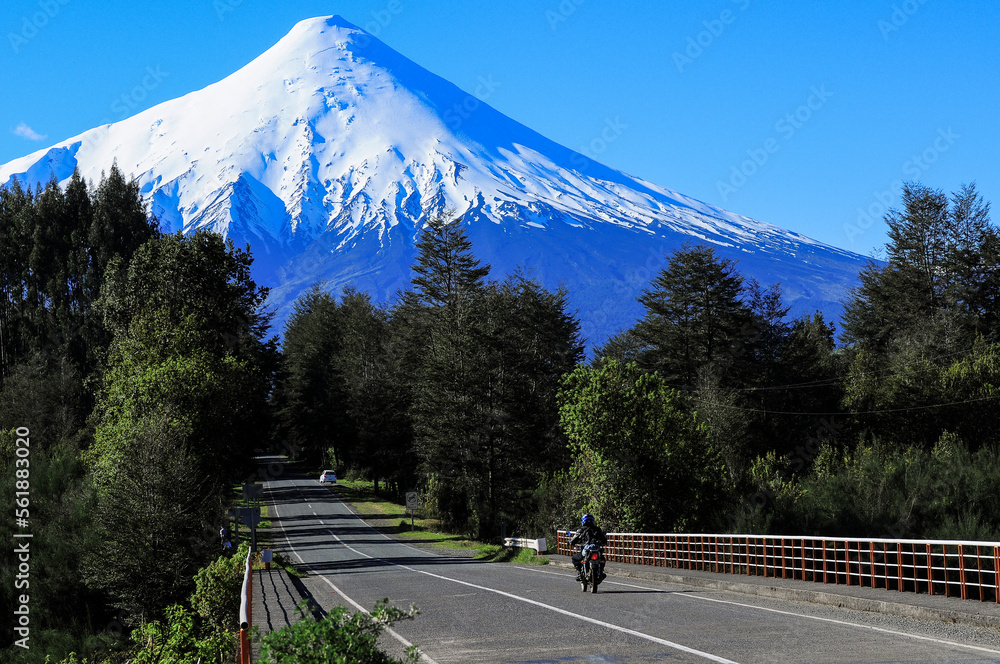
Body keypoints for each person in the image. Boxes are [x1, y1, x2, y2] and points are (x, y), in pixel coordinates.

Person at [570, 514, 607, 582]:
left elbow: (573, 541)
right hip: (597, 550)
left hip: (586, 551)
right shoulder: (597, 530)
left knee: (574, 559)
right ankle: (601, 572)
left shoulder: (581, 530)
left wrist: (570, 542)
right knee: (602, 560)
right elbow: (604, 541)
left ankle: (579, 574)